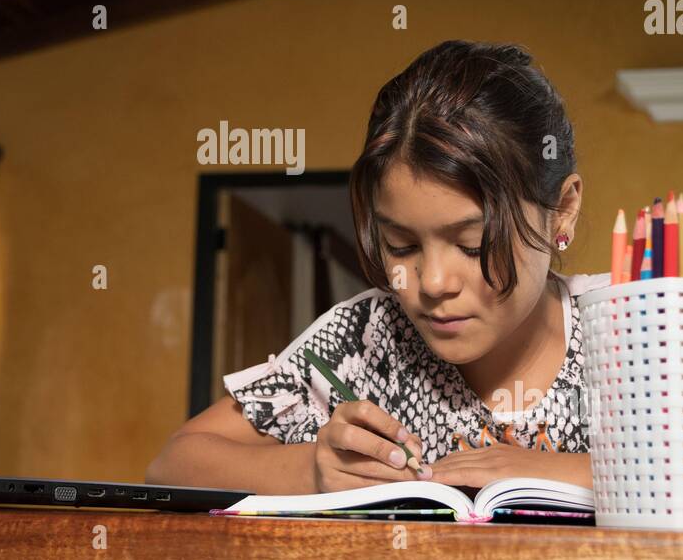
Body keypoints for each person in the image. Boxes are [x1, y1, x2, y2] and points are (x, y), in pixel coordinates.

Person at [146, 41, 607, 495]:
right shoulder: (365, 337)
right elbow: (173, 463)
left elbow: (682, 474)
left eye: (471, 245)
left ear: (562, 209)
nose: (432, 283)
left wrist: (565, 473)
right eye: (401, 245)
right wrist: (312, 470)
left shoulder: (634, 325)